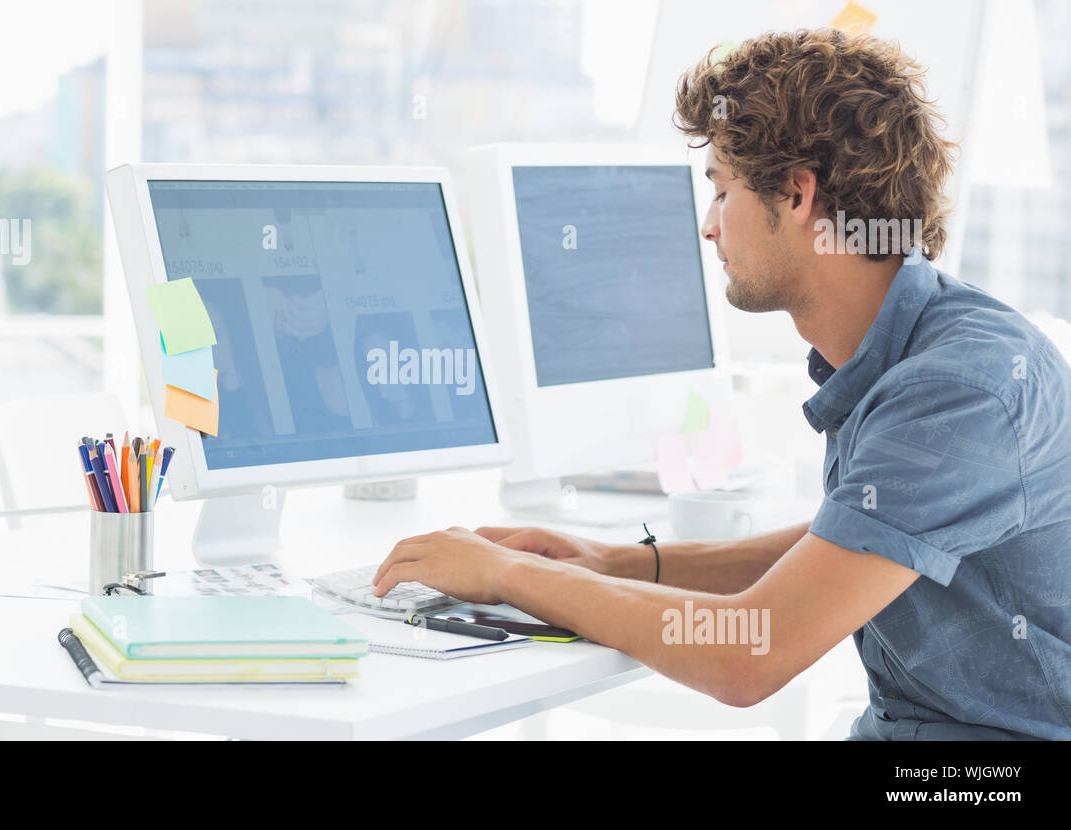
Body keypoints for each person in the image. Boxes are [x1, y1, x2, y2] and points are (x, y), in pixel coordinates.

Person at [371, 28, 1071, 740]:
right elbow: (852, 545)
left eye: (722, 189)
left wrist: (507, 577)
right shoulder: (913, 353)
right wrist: (620, 563)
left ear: (798, 194)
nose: (709, 226)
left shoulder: (963, 389)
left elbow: (747, 653)